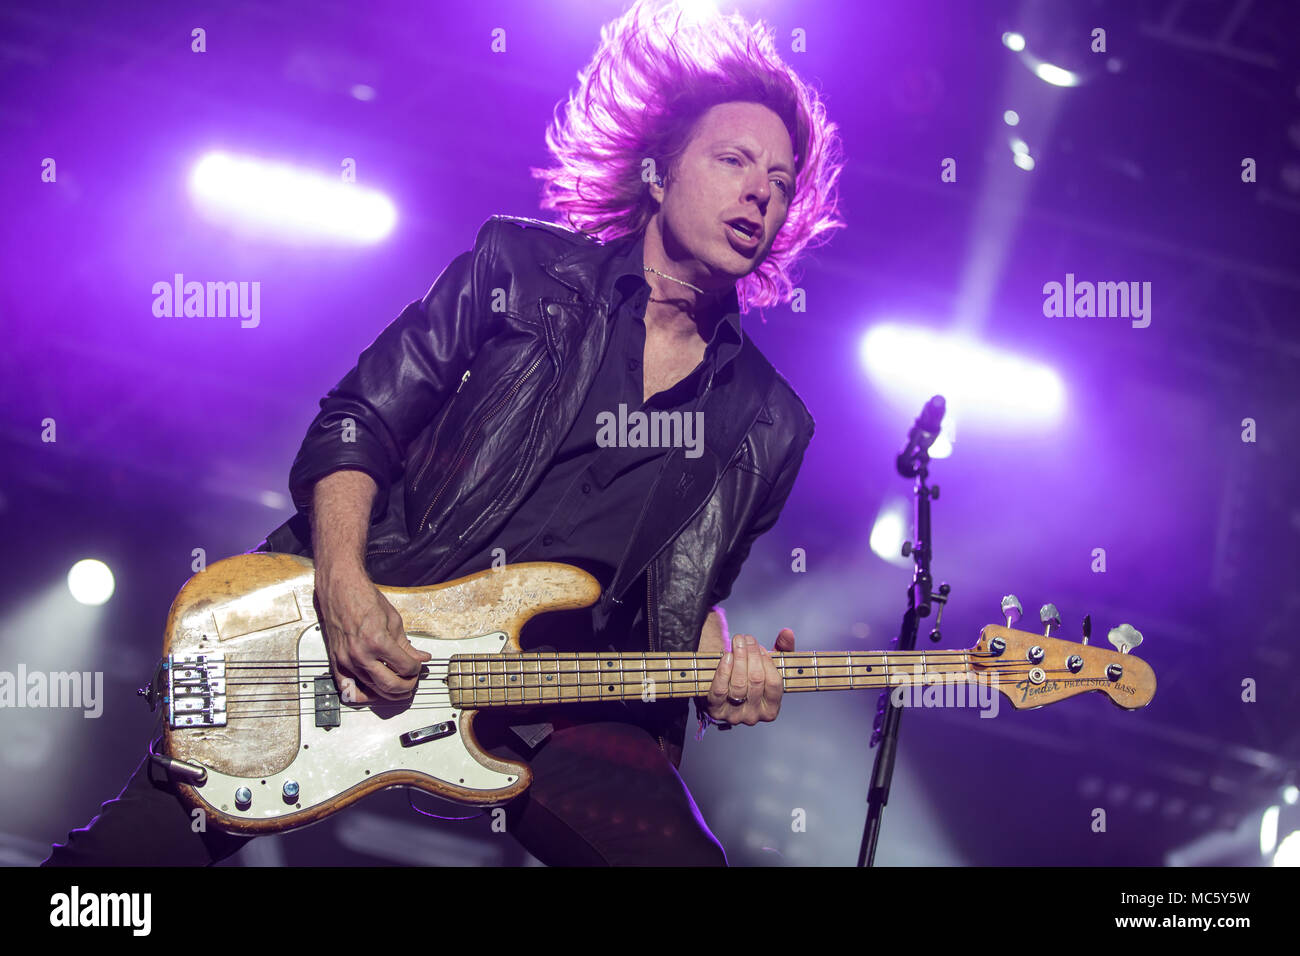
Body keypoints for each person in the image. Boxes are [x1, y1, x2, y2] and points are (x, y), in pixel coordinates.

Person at [42, 0, 844, 867]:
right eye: (734, 159)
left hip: (553, 703)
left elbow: (681, 599)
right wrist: (343, 586)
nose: (761, 190)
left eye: (781, 178)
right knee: (119, 876)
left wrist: (727, 670)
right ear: (658, 172)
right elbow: (359, 418)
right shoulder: (519, 268)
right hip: (367, 627)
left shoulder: (771, 422)